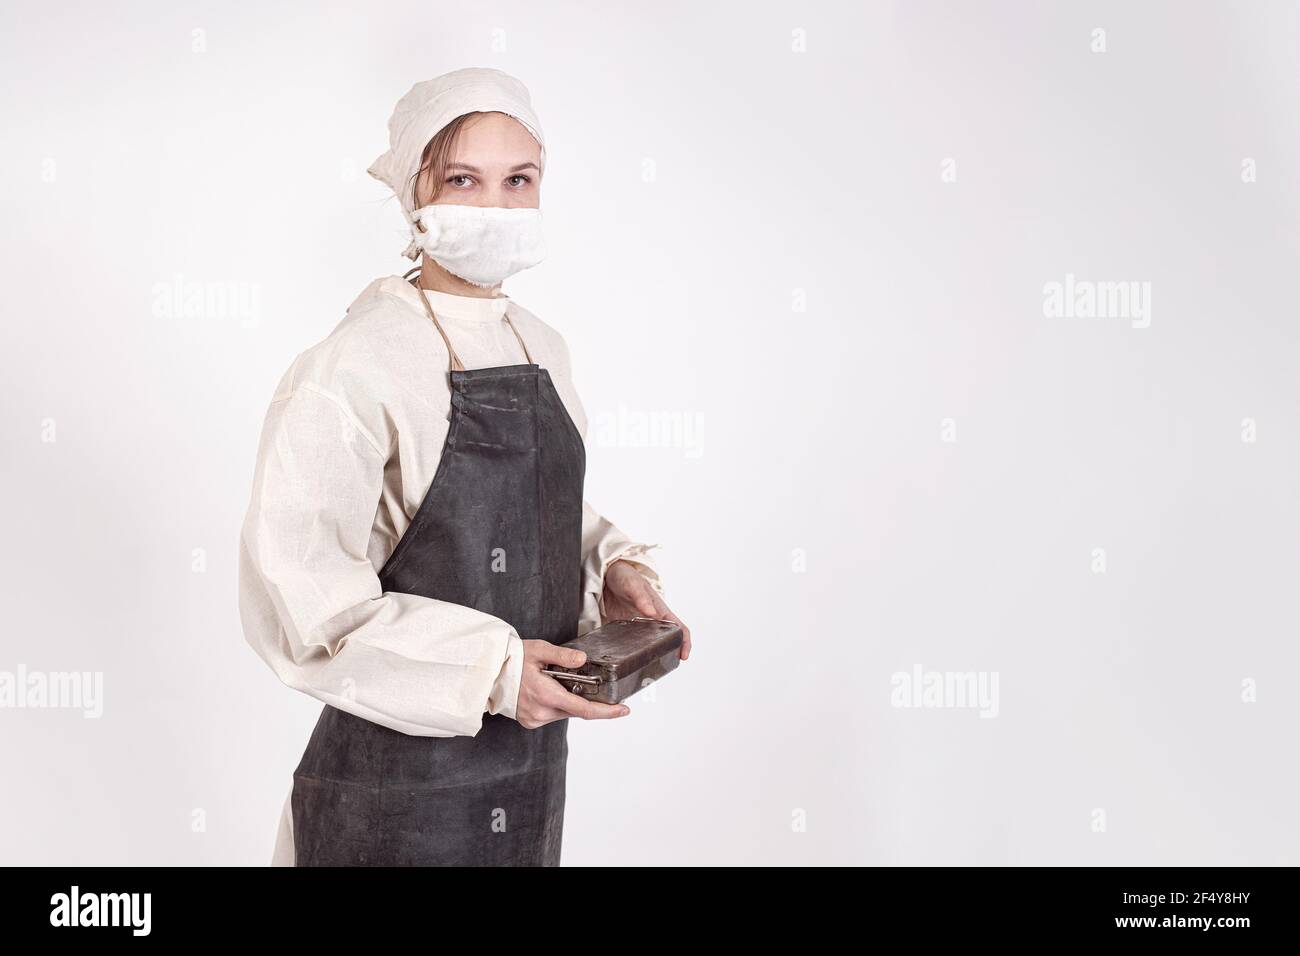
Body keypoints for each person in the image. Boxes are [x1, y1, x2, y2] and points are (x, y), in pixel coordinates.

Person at [237, 67, 691, 866]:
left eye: (519, 180)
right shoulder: (351, 367)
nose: (495, 206)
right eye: (462, 180)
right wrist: (492, 670)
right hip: (389, 797)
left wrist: (606, 570)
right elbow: (305, 606)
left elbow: (535, 513)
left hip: (528, 779)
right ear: (415, 192)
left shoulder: (540, 346)